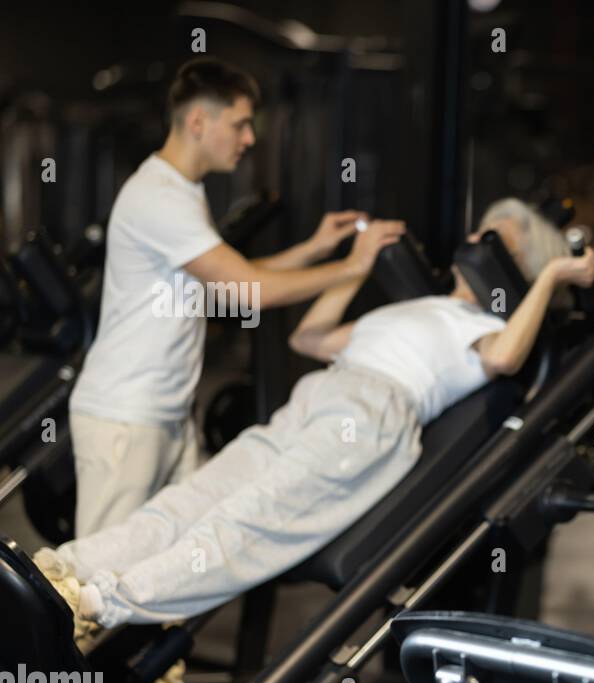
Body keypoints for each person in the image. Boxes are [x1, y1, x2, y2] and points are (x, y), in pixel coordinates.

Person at [38, 197, 594, 683]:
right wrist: (353, 268)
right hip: (319, 395)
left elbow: (504, 359)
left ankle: (97, 606)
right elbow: (308, 338)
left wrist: (551, 277)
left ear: (517, 270)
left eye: (499, 242)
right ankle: (63, 572)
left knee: (239, 525)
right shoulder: (416, 307)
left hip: (369, 417)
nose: (478, 245)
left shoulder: (485, 325)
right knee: (190, 502)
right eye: (480, 234)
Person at [69, 56, 376, 533]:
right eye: (240, 124)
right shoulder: (159, 197)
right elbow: (248, 291)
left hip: (168, 415)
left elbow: (233, 277)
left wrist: (316, 249)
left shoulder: (184, 191)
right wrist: (353, 267)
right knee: (94, 584)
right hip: (126, 418)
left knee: (165, 574)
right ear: (198, 121)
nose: (249, 139)